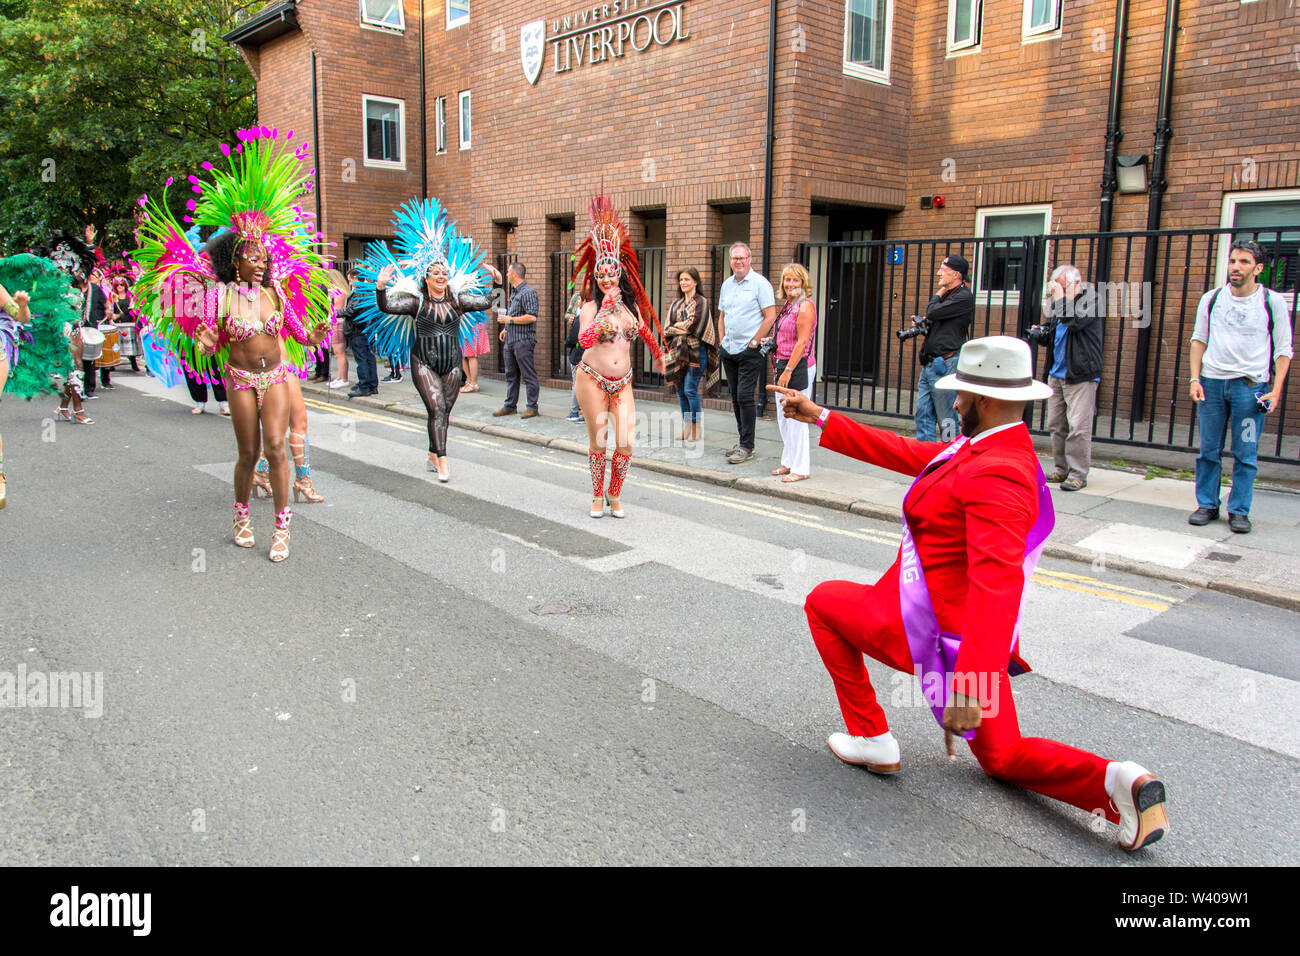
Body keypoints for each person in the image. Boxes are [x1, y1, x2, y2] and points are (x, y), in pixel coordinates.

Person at [771, 335, 1170, 852]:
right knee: (1003, 758)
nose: (953, 402)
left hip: (924, 633)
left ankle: (871, 738)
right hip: (961, 644)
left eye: (960, 394)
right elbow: (913, 453)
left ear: (983, 399)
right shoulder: (996, 447)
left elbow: (997, 585)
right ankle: (1119, 783)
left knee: (823, 602)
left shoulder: (998, 473)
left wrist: (972, 685)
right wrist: (821, 417)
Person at [133, 127, 332, 562]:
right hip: (240, 379)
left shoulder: (275, 293)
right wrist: (205, 342)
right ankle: (241, 514)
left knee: (277, 448)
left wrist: (314, 335)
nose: (260, 262)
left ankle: (282, 528)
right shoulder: (218, 296)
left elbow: (296, 332)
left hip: (276, 376)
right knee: (249, 453)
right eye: (251, 257)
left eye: (264, 256)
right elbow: (208, 341)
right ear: (234, 260)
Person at [363, 197, 498, 481]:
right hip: (423, 361)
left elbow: (488, 302)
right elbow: (386, 306)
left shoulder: (459, 300)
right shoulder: (415, 303)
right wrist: (380, 287)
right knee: (436, 407)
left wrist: (498, 283)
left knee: (443, 412)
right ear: (426, 278)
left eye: (444, 273)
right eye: (436, 273)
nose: (441, 276)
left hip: (452, 364)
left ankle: (431, 454)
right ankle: (444, 463)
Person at [1187, 238, 1293, 534]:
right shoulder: (1213, 298)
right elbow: (1199, 339)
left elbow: (1284, 350)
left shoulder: (1272, 302)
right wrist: (1195, 378)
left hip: (1251, 389)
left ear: (1258, 268)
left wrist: (1277, 389)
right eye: (1233, 260)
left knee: (1245, 453)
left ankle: (1239, 510)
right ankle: (1207, 504)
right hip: (1212, 386)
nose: (1236, 266)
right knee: (1208, 450)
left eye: (1244, 262)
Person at [572, 195, 666, 518]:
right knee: (599, 441)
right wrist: (605, 311)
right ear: (596, 278)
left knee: (625, 443)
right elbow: (584, 340)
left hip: (622, 382)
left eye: (611, 275)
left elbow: (643, 332)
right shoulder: (590, 308)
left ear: (620, 275)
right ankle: (597, 495)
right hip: (592, 380)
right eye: (601, 275)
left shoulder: (631, 308)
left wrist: (657, 354)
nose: (606, 279)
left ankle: (615, 493)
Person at [1031, 264, 1102, 491]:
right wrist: (1041, 334)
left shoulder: (1091, 300)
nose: (1056, 293)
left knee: (1078, 426)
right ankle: (1061, 470)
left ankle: (1078, 473)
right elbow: (1054, 330)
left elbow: (1074, 322)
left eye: (1061, 287)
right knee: (1056, 424)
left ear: (1076, 284)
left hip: (1080, 374)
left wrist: (1060, 297)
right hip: (1057, 373)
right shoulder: (1060, 305)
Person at [717, 242, 776, 464]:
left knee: (744, 396)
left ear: (749, 259)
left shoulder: (760, 284)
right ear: (730, 261)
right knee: (735, 396)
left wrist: (754, 342)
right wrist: (722, 340)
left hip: (749, 351)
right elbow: (722, 315)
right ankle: (743, 441)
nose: (738, 262)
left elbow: (770, 315)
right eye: (734, 258)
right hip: (729, 349)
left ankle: (747, 446)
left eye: (742, 258)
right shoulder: (727, 285)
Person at [913, 254, 974, 443]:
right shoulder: (950, 296)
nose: (939, 273)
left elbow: (932, 312)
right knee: (922, 413)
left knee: (946, 417)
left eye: (943, 269)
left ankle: (950, 454)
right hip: (930, 364)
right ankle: (926, 456)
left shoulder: (963, 297)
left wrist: (938, 293)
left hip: (946, 364)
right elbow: (937, 321)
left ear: (956, 274)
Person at [768, 263, 818, 481]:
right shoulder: (788, 304)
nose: (791, 284)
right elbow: (786, 336)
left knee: (796, 417)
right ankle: (788, 462)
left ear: (803, 283)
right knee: (784, 417)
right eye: (787, 280)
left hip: (796, 367)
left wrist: (788, 370)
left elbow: (803, 341)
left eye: (795, 280)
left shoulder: (805, 306)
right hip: (781, 365)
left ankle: (801, 468)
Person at [663, 266, 716, 442]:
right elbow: (666, 328)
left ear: (695, 281)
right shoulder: (676, 304)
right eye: (681, 280)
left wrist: (678, 326)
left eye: (687, 279)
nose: (683, 283)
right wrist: (680, 327)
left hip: (695, 352)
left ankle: (696, 428)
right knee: (680, 390)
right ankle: (686, 427)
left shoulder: (701, 302)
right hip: (677, 352)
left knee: (690, 390)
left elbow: (695, 326)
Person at [493, 261, 540, 419]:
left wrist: (510, 320)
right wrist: (506, 329)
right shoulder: (514, 293)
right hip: (511, 339)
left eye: (507, 272)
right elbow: (515, 314)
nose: (506, 274)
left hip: (523, 340)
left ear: (514, 274)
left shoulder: (528, 292)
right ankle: (510, 405)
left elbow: (531, 316)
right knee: (511, 375)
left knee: (528, 375)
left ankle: (532, 407)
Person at [343, 267, 378, 397]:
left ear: (356, 279)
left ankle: (364, 386)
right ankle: (372, 384)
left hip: (357, 330)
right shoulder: (368, 291)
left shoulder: (358, 292)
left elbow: (351, 311)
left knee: (362, 359)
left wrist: (336, 313)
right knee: (369, 357)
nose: (350, 283)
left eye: (351, 280)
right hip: (366, 329)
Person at [562, 290, 585, 423]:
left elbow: (572, 339)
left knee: (577, 384)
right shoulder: (577, 295)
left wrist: (568, 343)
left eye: (581, 300)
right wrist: (570, 318)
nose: (579, 303)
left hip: (579, 353)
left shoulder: (583, 317)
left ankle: (575, 411)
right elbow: (568, 314)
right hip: (584, 352)